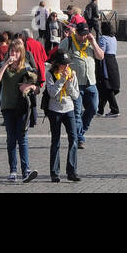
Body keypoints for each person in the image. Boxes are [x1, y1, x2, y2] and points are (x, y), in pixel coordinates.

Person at [0, 37, 39, 183]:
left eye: (17, 52)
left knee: (22, 138)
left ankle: (26, 171)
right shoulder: (3, 65)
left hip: (23, 107)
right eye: (12, 51)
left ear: (21, 53)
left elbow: (37, 88)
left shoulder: (27, 68)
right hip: (8, 107)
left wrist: (29, 87)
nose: (14, 54)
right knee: (11, 139)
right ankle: (13, 170)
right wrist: (6, 64)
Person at [58, 20, 103, 148]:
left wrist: (93, 42)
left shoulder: (90, 43)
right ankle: (80, 138)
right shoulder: (68, 42)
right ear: (76, 32)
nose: (83, 37)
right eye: (81, 34)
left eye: (86, 34)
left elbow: (101, 56)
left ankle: (80, 131)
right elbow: (59, 56)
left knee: (93, 108)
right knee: (77, 112)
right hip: (75, 84)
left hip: (91, 82)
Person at [45, 52, 82, 183]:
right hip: (55, 110)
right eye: (63, 64)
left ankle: (72, 171)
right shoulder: (50, 74)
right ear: (57, 64)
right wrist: (61, 80)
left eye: (67, 64)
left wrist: (69, 83)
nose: (66, 67)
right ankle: (54, 173)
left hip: (69, 109)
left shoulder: (72, 74)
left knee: (74, 139)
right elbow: (52, 93)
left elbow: (76, 95)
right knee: (56, 141)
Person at [95, 25, 120, 117]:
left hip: (105, 61)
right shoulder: (113, 38)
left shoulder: (103, 38)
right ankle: (100, 109)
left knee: (106, 84)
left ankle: (114, 109)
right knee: (105, 87)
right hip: (113, 60)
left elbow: (101, 51)